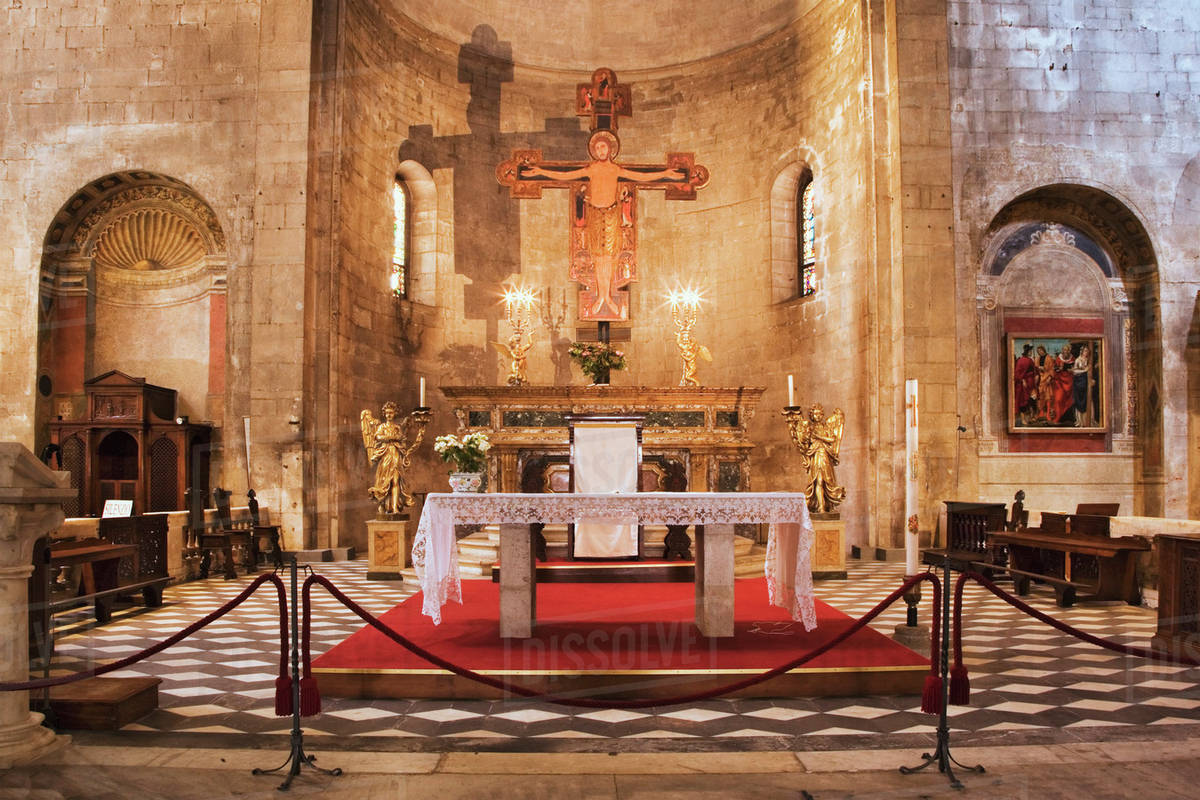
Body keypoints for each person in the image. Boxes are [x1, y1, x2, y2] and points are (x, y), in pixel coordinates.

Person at [523, 131, 684, 318]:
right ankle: (601, 296)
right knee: (598, 257)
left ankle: (606, 296)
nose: (600, 150)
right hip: (594, 215)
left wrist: (665, 173)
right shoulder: (590, 169)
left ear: (609, 149)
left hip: (611, 215)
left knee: (608, 256)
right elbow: (566, 175)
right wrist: (542, 171)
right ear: (594, 151)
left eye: (603, 146)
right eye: (597, 147)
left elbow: (640, 176)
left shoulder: (616, 169)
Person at [1013, 343, 1037, 425]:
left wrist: (1036, 376)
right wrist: (1022, 380)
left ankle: (1032, 417)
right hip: (1024, 384)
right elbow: (1017, 373)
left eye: (1031, 351)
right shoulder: (1021, 360)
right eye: (1030, 351)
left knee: (1032, 400)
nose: (1031, 352)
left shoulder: (1030, 360)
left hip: (1031, 382)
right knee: (1023, 402)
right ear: (1027, 351)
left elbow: (1034, 371)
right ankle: (1023, 419)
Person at [1072, 344, 1092, 426]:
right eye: (1085, 351)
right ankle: (1079, 421)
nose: (1086, 353)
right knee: (1078, 400)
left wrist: (1087, 371)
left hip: (1085, 382)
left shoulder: (1089, 360)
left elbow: (1089, 371)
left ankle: (1085, 421)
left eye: (1087, 351)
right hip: (1078, 382)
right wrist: (1084, 371)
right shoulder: (1077, 360)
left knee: (1085, 400)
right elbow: (1074, 372)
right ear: (1082, 351)